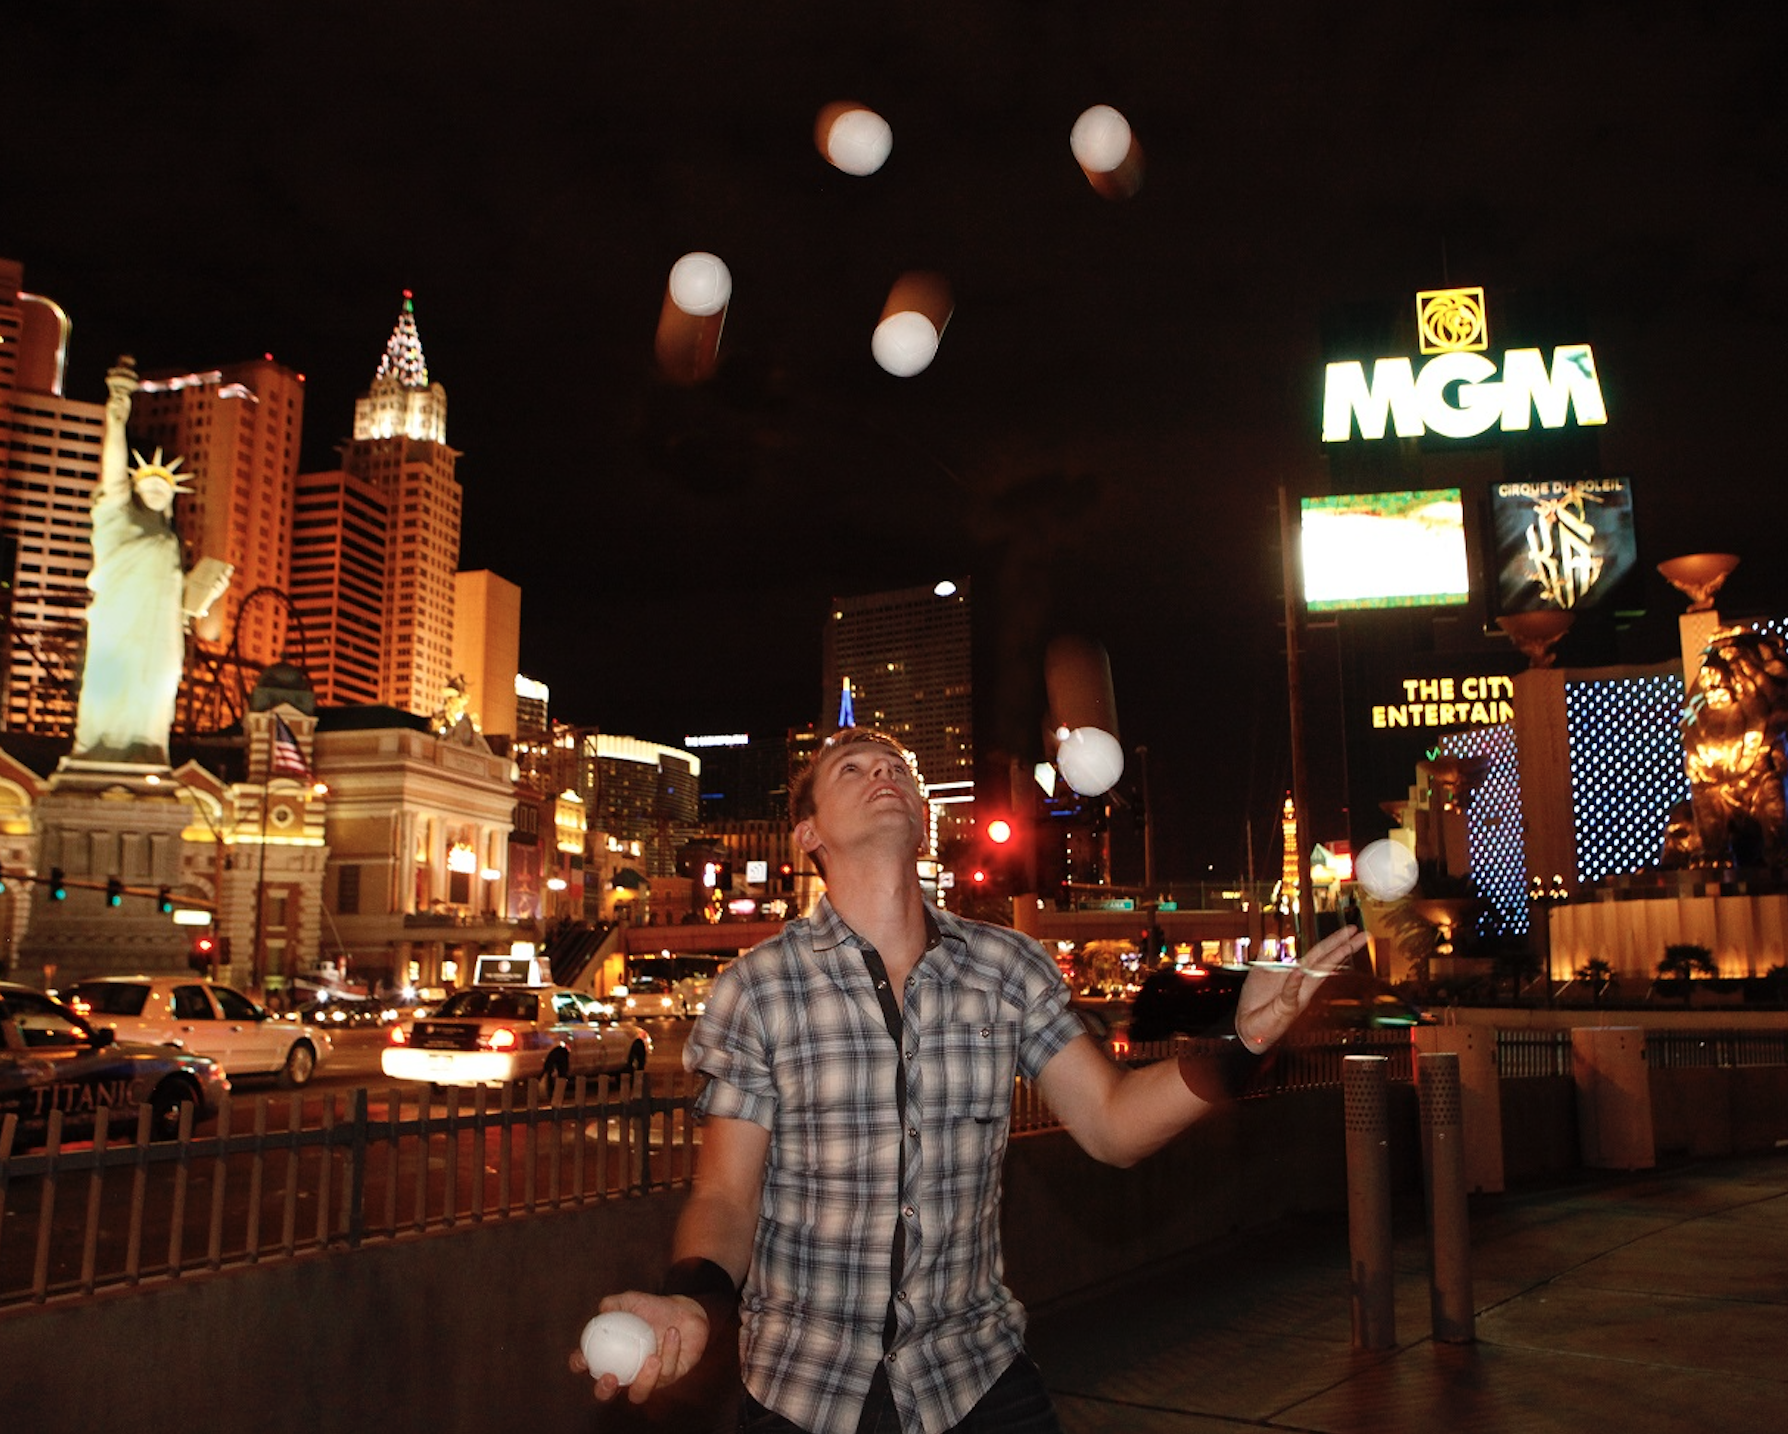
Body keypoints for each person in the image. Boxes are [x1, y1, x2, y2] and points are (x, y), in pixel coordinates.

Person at [574, 727, 1367, 1433]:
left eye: (898, 770)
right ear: (807, 833)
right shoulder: (758, 987)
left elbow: (1114, 1123)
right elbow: (724, 1196)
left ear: (924, 819)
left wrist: (1242, 1042)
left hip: (974, 1377)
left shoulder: (1006, 966)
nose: (884, 774)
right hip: (803, 1387)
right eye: (854, 768)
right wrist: (694, 1298)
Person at [71, 358, 188, 765]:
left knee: (159, 682)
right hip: (119, 622)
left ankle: (148, 746)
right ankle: (97, 749)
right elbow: (114, 474)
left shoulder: (168, 538)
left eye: (164, 489)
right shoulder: (118, 517)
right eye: (149, 485)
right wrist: (117, 420)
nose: (156, 491)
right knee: (108, 684)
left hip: (160, 632)